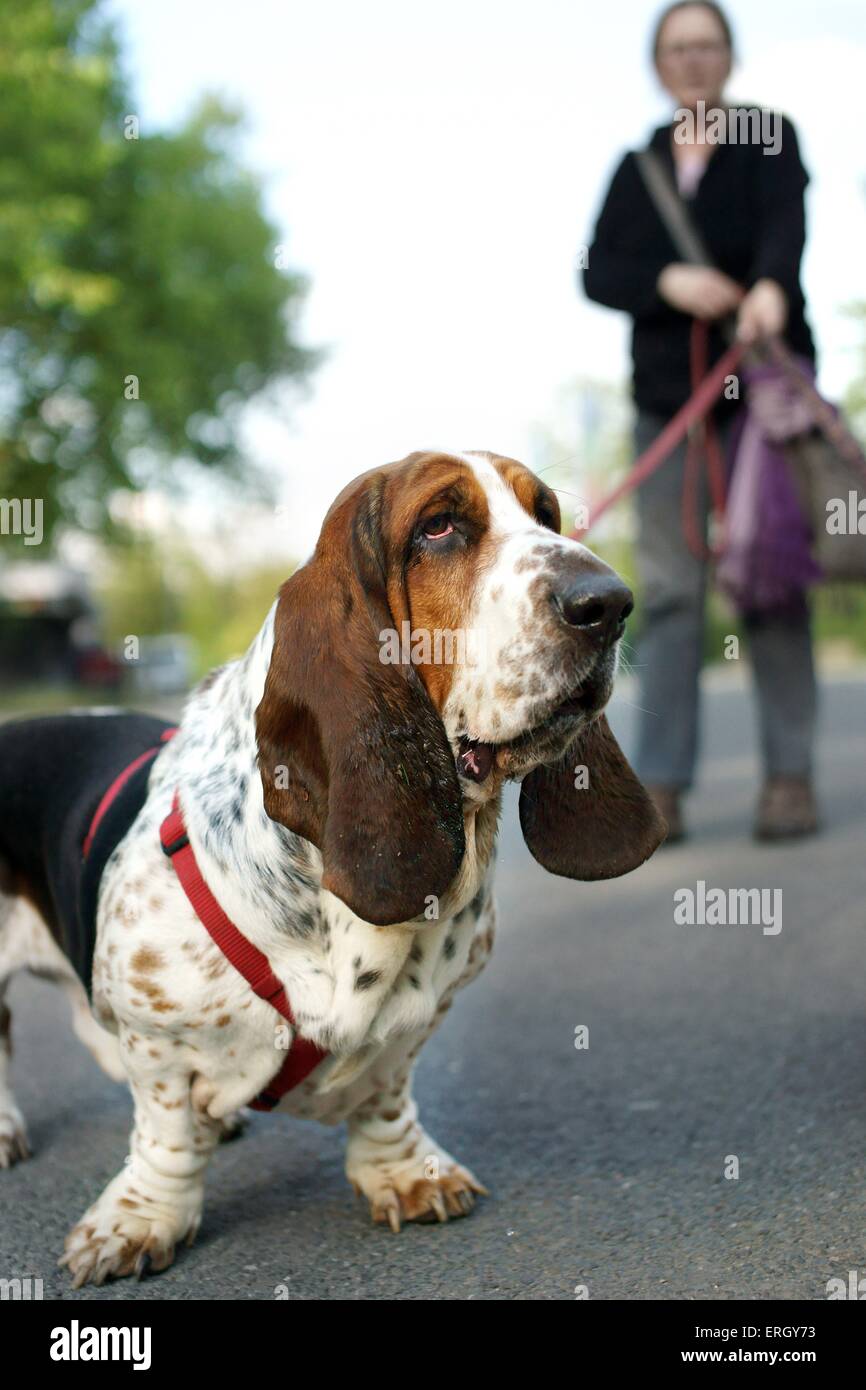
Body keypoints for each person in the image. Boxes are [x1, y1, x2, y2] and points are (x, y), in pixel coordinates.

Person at [583, 0, 819, 842]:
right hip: (668, 406)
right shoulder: (636, 164)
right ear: (658, 65)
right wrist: (670, 284)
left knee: (770, 577)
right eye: (676, 48)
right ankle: (664, 788)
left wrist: (769, 289)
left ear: (729, 57)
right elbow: (597, 271)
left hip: (764, 395)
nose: (692, 60)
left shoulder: (768, 136)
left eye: (706, 45)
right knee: (672, 593)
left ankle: (789, 777)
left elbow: (787, 226)